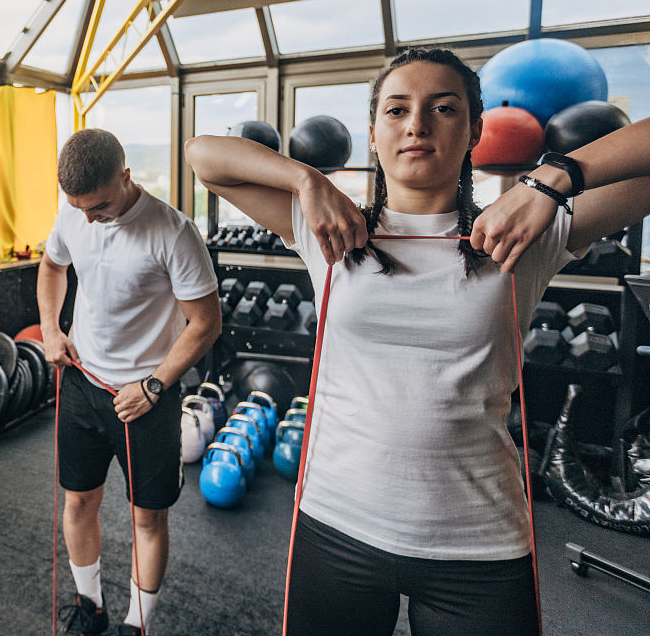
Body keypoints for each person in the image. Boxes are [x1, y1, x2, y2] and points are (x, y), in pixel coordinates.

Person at [186, 46, 650, 636]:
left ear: (475, 131)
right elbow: (203, 156)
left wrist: (554, 179)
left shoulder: (518, 233)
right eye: (396, 110)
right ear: (374, 133)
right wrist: (305, 179)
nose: (417, 125)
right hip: (336, 525)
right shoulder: (331, 231)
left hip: (477, 542)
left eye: (443, 109)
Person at [38, 129, 221, 636]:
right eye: (79, 208)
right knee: (78, 502)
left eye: (98, 206)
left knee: (146, 518)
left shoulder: (173, 232)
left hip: (146, 398)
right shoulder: (74, 215)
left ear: (125, 178)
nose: (89, 218)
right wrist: (52, 328)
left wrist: (156, 386)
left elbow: (206, 323)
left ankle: (136, 625)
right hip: (81, 385)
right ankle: (90, 606)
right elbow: (52, 267)